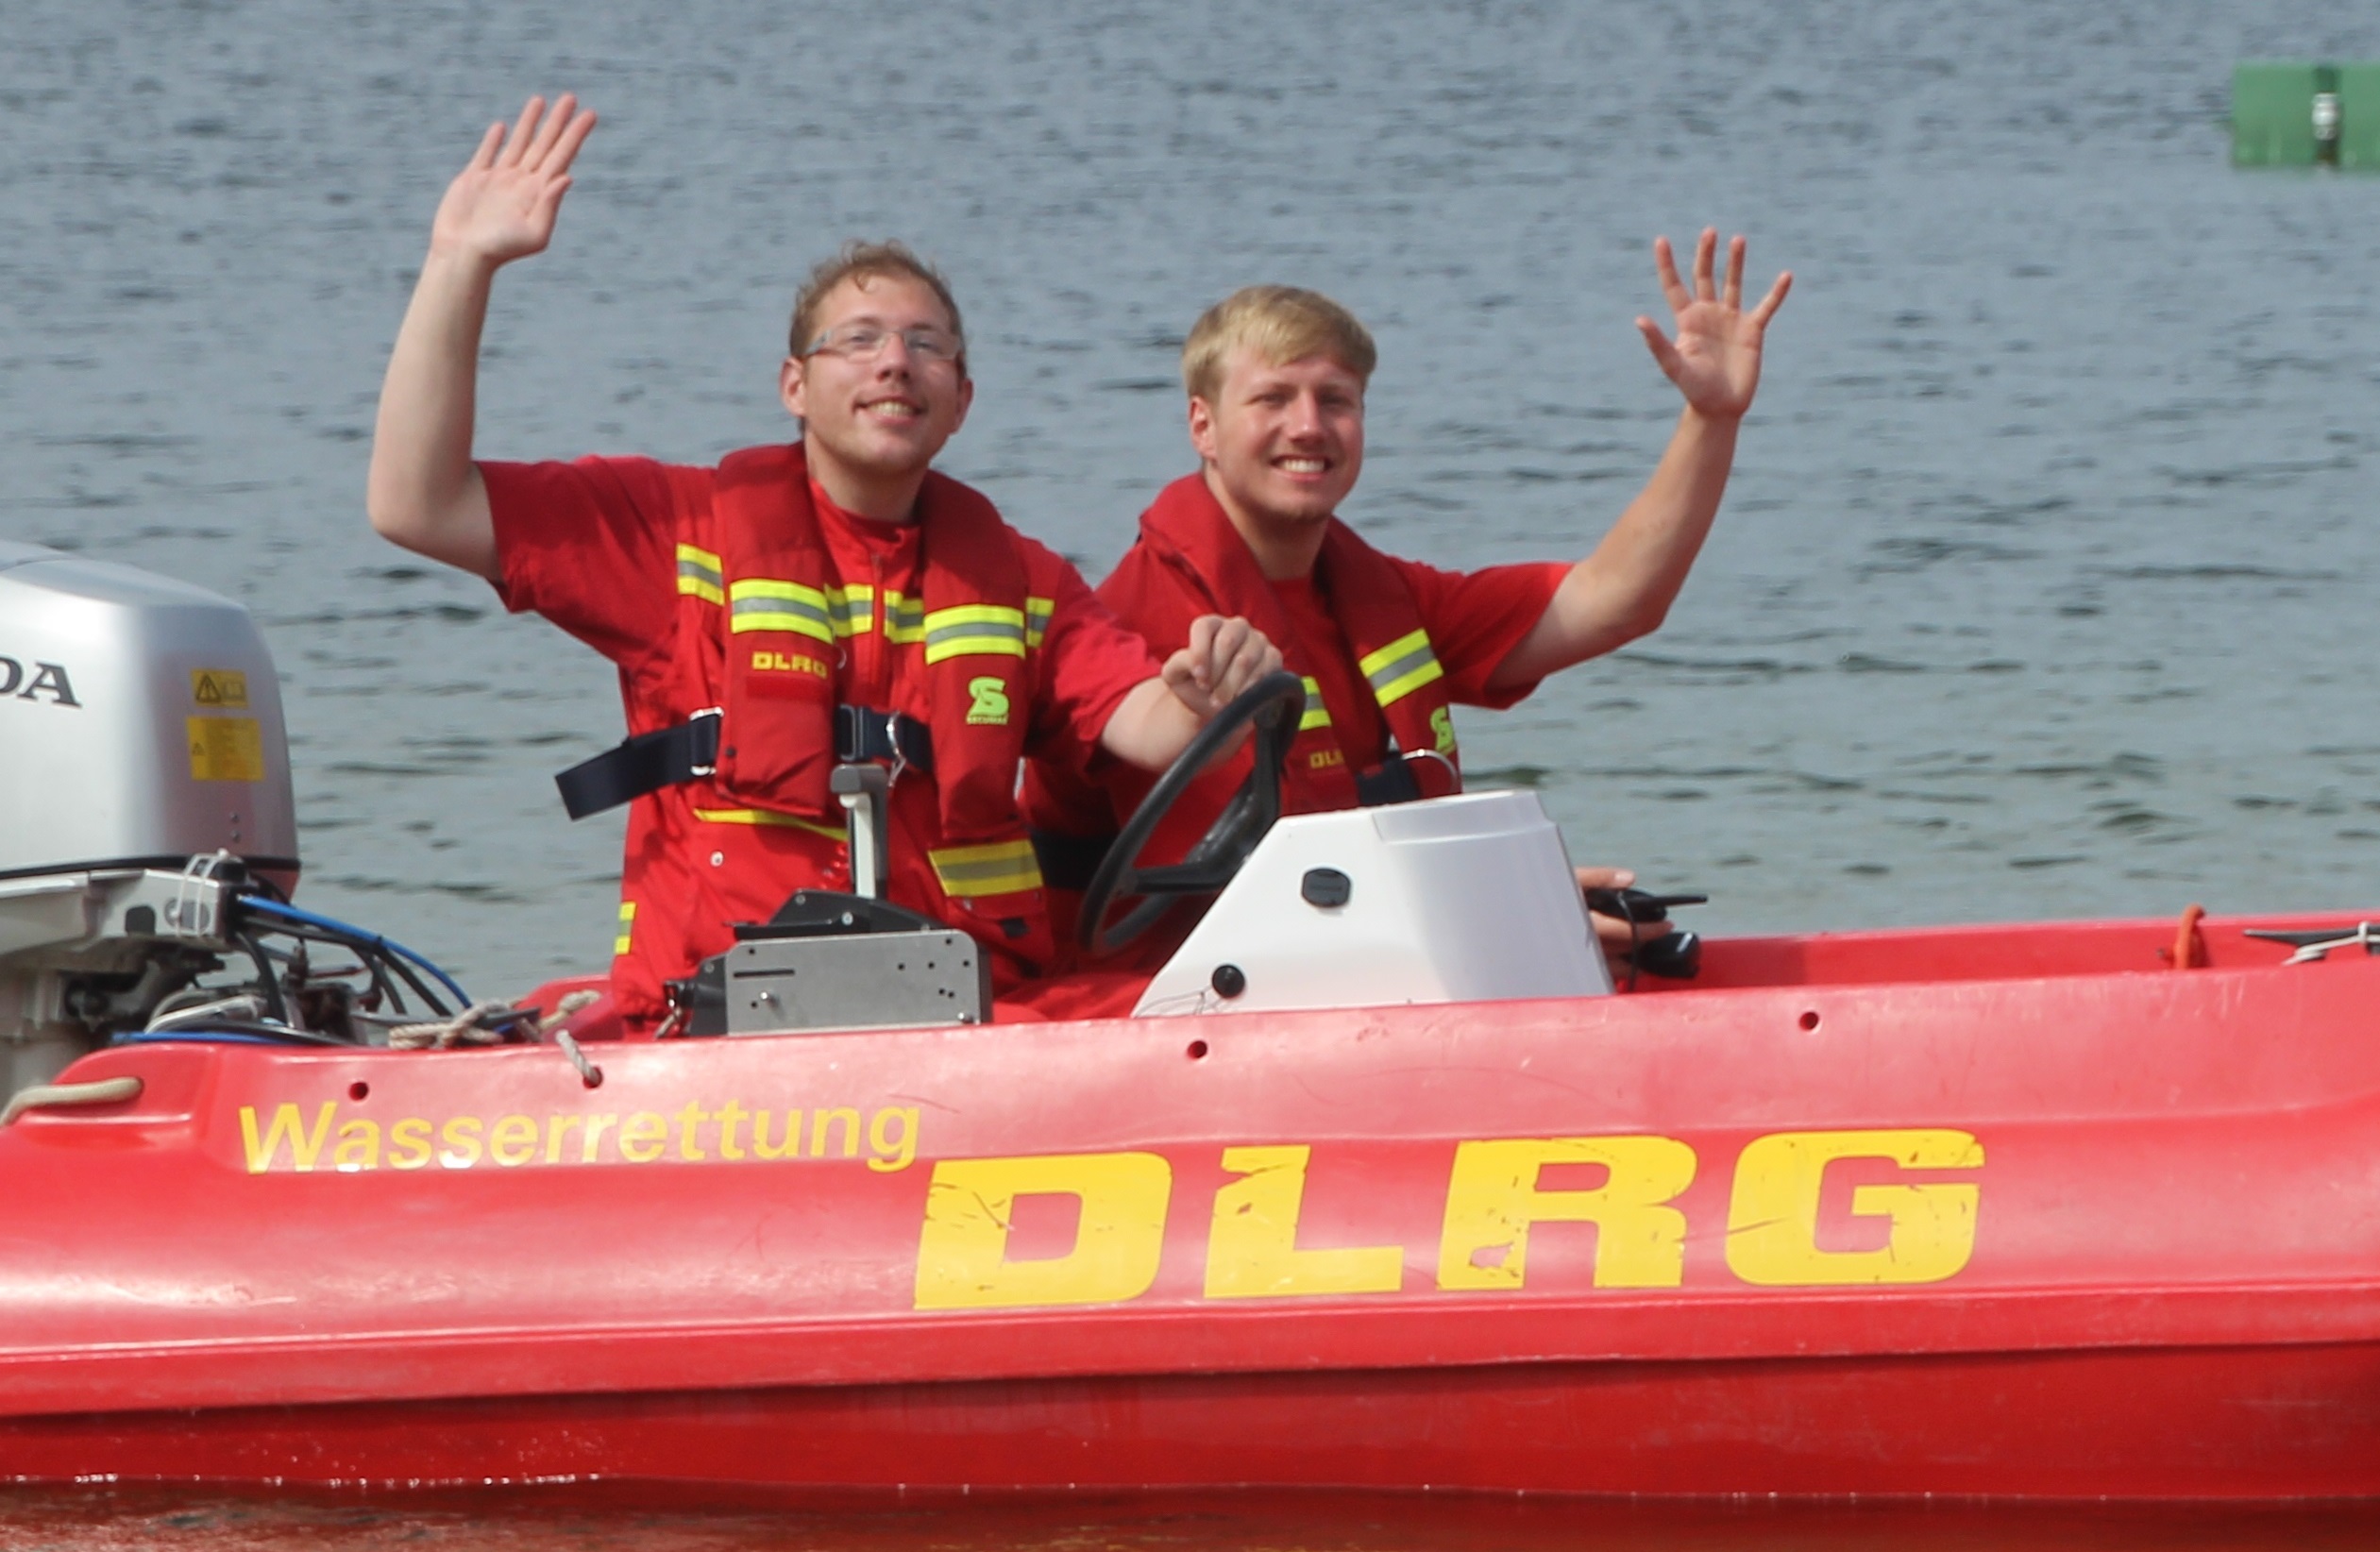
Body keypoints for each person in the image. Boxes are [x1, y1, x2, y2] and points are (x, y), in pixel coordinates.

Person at [362, 95, 1279, 1030]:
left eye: (926, 346)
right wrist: (460, 263)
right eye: (860, 340)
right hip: (719, 1023)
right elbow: (415, 504)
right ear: (793, 387)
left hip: (974, 1024)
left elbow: (1151, 724)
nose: (894, 363)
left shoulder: (1023, 580)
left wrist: (1211, 690)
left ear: (960, 400)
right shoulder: (674, 532)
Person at [1032, 240, 1792, 974]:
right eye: (1272, 399)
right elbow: (1266, 905)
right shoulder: (1141, 630)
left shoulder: (1383, 594)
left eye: (1336, 401)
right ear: (1202, 425)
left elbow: (1613, 601)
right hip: (1154, 1005)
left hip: (1351, 973)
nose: (1308, 427)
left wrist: (1711, 420)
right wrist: (1519, 907)